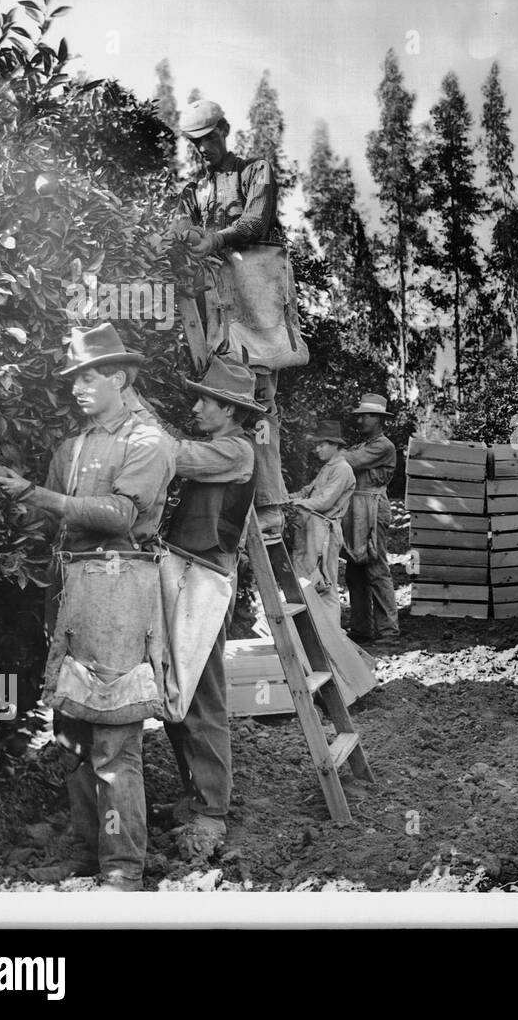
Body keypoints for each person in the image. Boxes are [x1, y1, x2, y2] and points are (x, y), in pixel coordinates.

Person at [0, 324, 175, 891]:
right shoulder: (73, 446)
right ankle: (84, 849)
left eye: (88, 376)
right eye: (73, 379)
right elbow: (51, 515)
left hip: (119, 588)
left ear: (119, 377)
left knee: (114, 735)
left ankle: (122, 867)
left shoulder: (149, 440)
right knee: (70, 727)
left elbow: (119, 515)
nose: (76, 388)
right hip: (69, 587)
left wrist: (32, 494)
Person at [152, 355, 262, 859]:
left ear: (229, 411)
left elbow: (176, 457)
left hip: (205, 580)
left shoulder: (235, 452)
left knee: (203, 697)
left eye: (205, 401)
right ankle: (196, 795)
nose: (196, 407)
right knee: (180, 689)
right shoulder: (220, 444)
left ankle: (212, 810)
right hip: (184, 571)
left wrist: (136, 415)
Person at [173, 98, 289, 537]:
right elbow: (182, 233)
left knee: (260, 401)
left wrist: (216, 237)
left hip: (254, 303)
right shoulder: (193, 191)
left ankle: (271, 503)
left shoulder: (253, 171)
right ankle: (227, 497)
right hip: (214, 308)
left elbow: (257, 223)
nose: (203, 149)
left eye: (209, 139)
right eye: (195, 144)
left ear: (224, 130)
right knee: (218, 401)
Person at [340, 395, 400, 644]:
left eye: (366, 415)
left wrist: (334, 450)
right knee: (355, 569)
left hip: (373, 507)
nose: (361, 420)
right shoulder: (365, 444)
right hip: (357, 507)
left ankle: (388, 630)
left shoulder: (382, 446)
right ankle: (361, 628)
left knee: (375, 568)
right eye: (360, 416)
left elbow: (348, 461)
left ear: (379, 419)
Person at [290, 420, 356, 620]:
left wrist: (297, 503)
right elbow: (308, 491)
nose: (317, 449)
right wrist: (287, 498)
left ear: (335, 445)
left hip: (324, 531)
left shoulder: (342, 469)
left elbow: (325, 501)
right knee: (306, 579)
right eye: (316, 445)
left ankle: (332, 638)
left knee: (325, 584)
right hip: (311, 527)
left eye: (322, 445)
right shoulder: (328, 467)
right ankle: (315, 633)